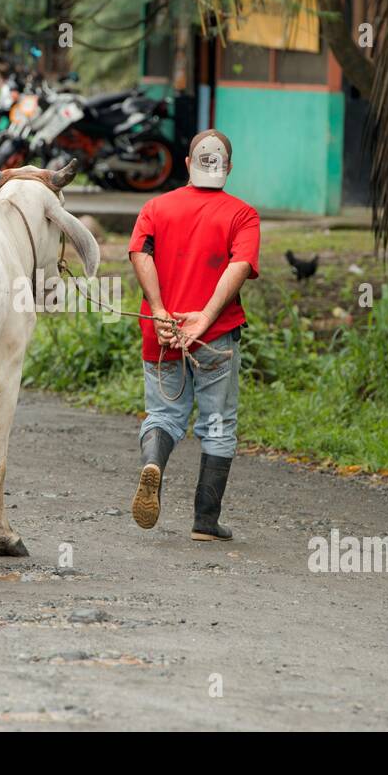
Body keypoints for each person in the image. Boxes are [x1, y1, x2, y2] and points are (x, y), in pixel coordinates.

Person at [127, 129, 260, 541]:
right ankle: (205, 522)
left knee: (163, 415)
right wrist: (204, 317)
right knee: (218, 423)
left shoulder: (155, 206)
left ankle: (153, 466)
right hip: (215, 338)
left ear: (186, 164)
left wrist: (161, 310)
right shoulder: (243, 215)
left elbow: (139, 252)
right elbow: (239, 265)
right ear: (229, 168)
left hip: (161, 334)